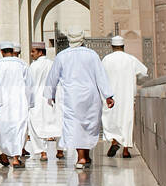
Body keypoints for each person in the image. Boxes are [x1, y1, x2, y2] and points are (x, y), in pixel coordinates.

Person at [44, 28, 114, 170]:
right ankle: (83, 157)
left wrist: (49, 94)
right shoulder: (92, 55)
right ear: (82, 39)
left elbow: (52, 78)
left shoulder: (62, 56)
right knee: (88, 125)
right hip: (91, 96)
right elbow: (101, 75)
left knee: (75, 125)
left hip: (71, 97)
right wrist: (108, 96)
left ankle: (83, 157)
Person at [100, 35, 148, 158]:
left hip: (111, 97)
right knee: (126, 120)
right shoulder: (130, 59)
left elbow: (100, 77)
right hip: (126, 95)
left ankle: (114, 141)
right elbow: (144, 72)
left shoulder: (106, 59)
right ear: (123, 46)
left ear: (112, 46)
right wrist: (137, 81)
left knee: (111, 119)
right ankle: (126, 150)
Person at [0, 42, 30, 168]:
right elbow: (30, 85)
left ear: (2, 52)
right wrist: (31, 102)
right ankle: (15, 158)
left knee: (3, 130)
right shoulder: (22, 65)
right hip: (19, 102)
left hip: (1, 103)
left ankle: (5, 154)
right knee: (18, 129)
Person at [26, 41, 60, 162]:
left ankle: (43, 152)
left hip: (36, 99)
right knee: (55, 123)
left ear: (40, 52)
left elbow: (29, 85)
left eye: (33, 51)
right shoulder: (53, 64)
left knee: (36, 126)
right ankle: (60, 150)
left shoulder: (33, 66)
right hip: (51, 99)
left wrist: (27, 100)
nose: (31, 54)